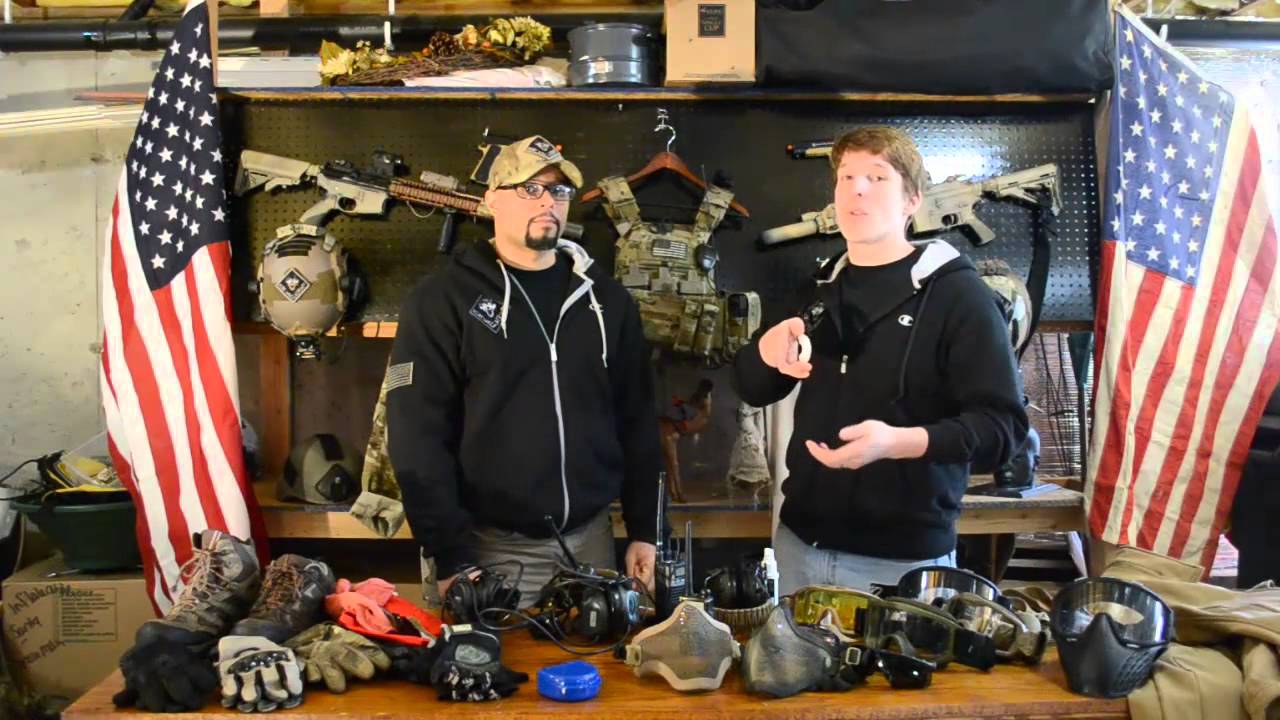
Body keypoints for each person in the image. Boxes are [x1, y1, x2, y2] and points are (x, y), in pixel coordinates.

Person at [735, 126, 1029, 593]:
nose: (857, 189)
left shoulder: (958, 295)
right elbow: (752, 387)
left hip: (903, 564)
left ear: (912, 200)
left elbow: (1003, 430)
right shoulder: (819, 289)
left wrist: (899, 442)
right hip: (798, 549)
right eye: (846, 177)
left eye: (877, 177)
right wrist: (765, 355)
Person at [386, 135, 662, 603]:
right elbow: (416, 439)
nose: (548, 202)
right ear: (492, 199)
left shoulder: (607, 300)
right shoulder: (442, 301)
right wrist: (450, 556)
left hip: (592, 545)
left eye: (558, 190)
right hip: (487, 554)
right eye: (530, 189)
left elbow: (637, 421)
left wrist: (646, 529)